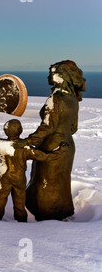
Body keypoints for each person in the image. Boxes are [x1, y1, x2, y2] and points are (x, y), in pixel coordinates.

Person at [16, 60, 86, 221]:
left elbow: (47, 127)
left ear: (63, 77)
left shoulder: (55, 98)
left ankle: (46, 215)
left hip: (51, 145)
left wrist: (27, 141)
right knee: (61, 182)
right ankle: (61, 211)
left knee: (44, 182)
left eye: (53, 73)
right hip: (67, 146)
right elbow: (73, 127)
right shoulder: (73, 98)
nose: (49, 76)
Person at [0, 119, 62, 222]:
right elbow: (42, 156)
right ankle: (21, 221)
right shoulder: (25, 148)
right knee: (19, 200)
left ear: (6, 131)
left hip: (4, 177)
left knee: (0, 197)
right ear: (20, 130)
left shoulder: (0, 144)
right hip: (19, 178)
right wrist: (58, 153)